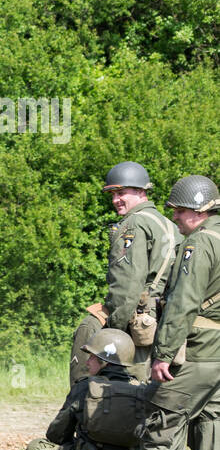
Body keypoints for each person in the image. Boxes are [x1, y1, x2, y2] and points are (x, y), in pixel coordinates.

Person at [134, 175, 220, 450]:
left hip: (197, 352)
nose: (175, 219)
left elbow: (183, 303)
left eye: (178, 212)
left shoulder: (199, 244)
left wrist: (164, 354)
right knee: (214, 426)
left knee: (162, 422)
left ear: (196, 211)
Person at [69, 162, 178, 386]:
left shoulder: (134, 224)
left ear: (140, 191)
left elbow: (127, 284)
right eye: (112, 194)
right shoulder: (169, 224)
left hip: (138, 322)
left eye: (121, 193)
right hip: (165, 319)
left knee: (128, 388)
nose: (115, 200)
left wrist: (115, 328)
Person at [27, 328, 142, 450]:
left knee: (36, 448)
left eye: (92, 357)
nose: (87, 362)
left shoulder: (85, 387)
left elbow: (56, 434)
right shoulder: (141, 390)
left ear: (104, 362)